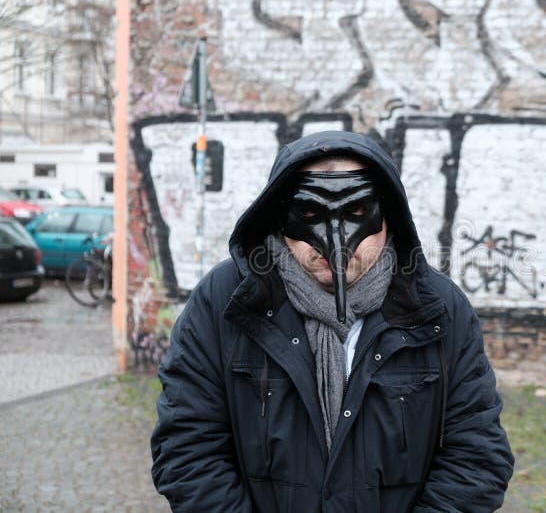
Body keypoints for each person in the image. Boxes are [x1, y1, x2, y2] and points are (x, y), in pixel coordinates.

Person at [151, 131, 514, 512]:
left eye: (358, 213)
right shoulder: (224, 302)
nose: (335, 242)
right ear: (278, 214)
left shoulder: (439, 309)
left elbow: (476, 458)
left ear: (388, 217)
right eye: (309, 214)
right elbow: (187, 450)